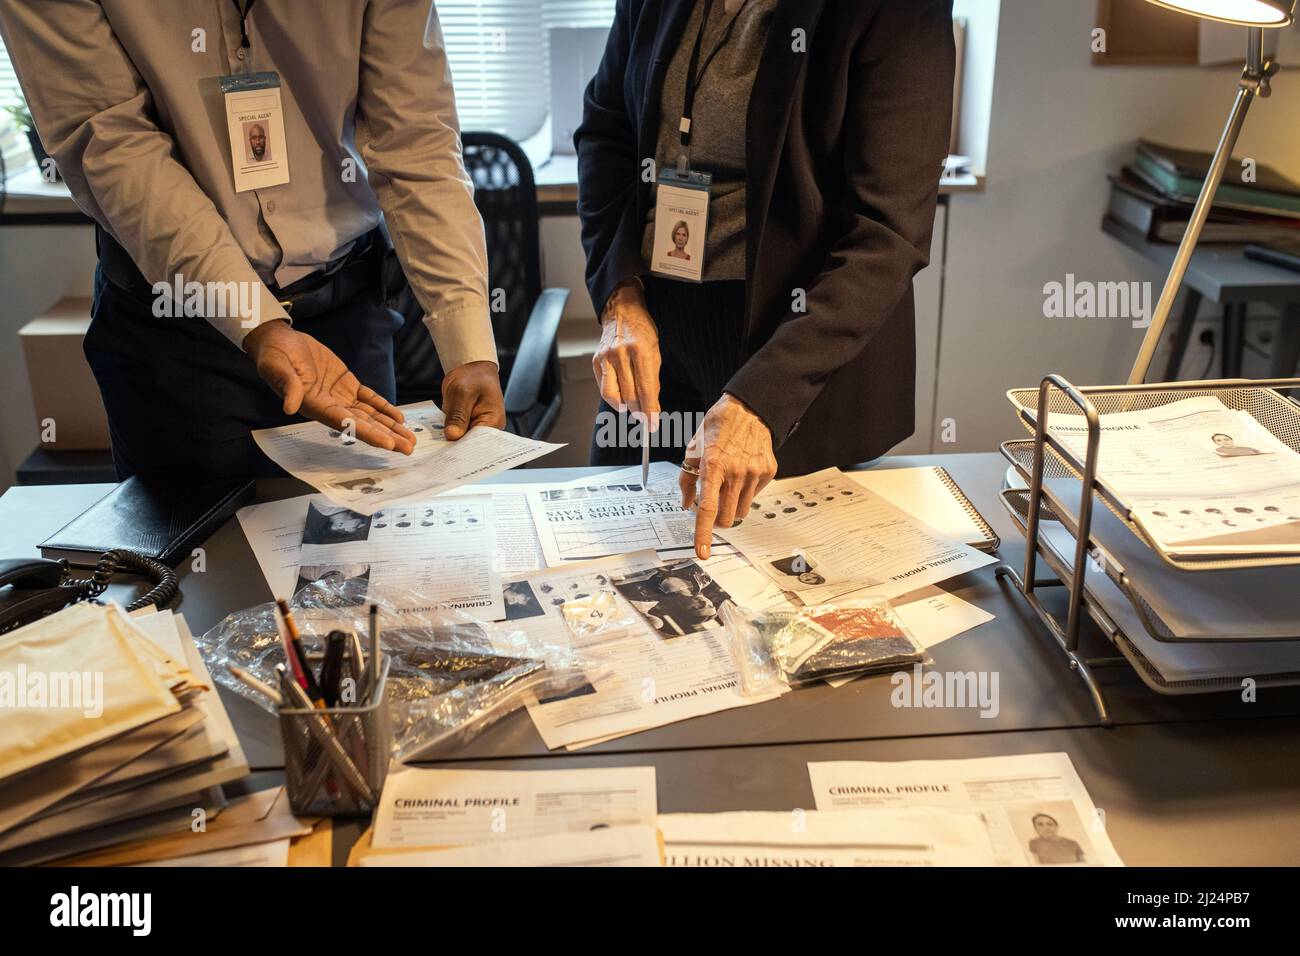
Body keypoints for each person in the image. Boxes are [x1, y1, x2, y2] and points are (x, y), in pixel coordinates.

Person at [0, 0, 505, 481]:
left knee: (357, 556)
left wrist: (470, 350)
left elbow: (417, 142)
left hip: (348, 320)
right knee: (195, 562)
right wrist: (257, 323)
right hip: (174, 333)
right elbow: (115, 150)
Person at [576, 0, 954, 559]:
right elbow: (605, 133)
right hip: (655, 344)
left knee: (783, 618)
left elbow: (887, 234)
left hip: (796, 362)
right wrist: (620, 297)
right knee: (611, 576)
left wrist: (762, 398)